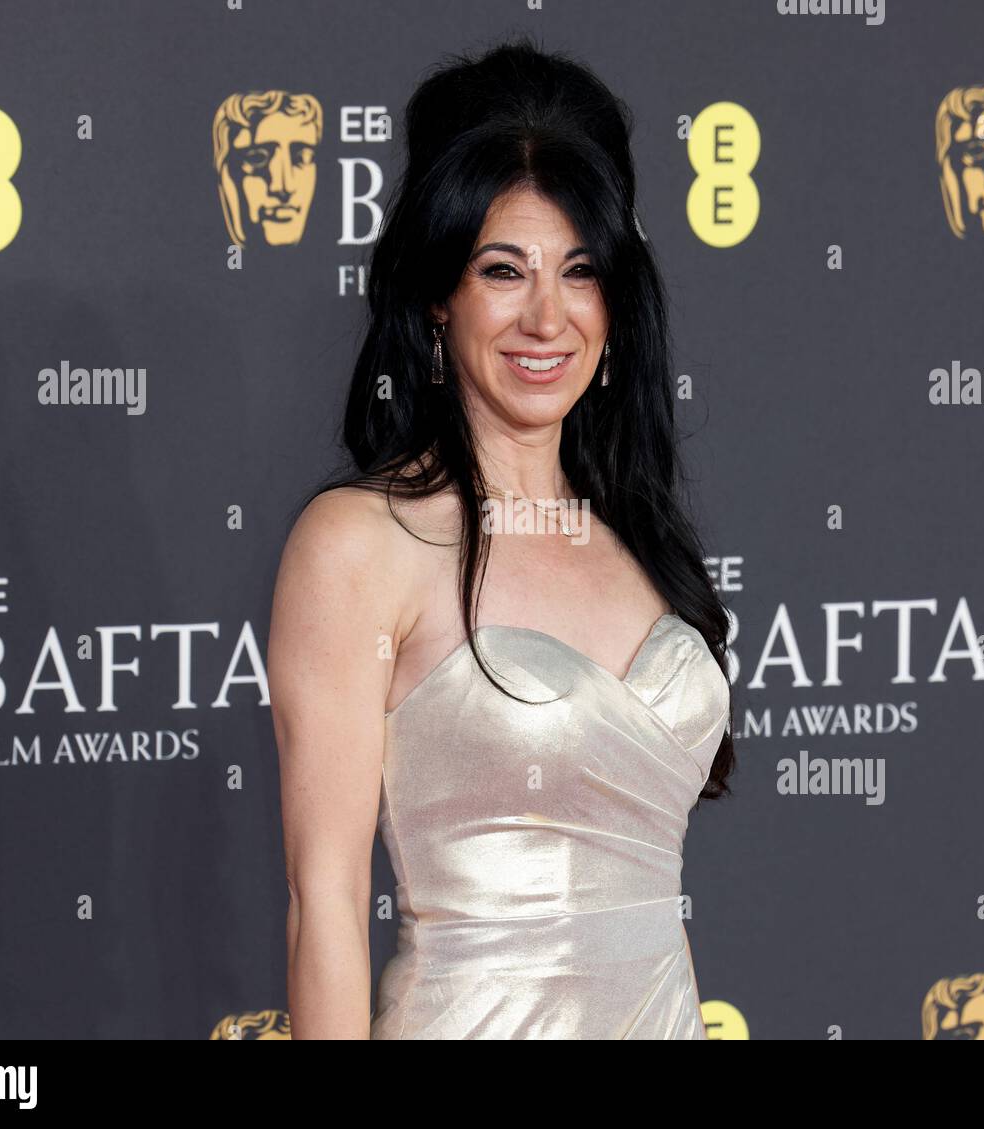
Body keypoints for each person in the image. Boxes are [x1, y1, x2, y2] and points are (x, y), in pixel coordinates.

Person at [268, 34, 735, 1040]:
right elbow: (325, 906)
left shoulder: (638, 534)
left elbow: (646, 905)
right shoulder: (359, 545)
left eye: (579, 271)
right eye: (501, 270)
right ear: (438, 294)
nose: (546, 317)